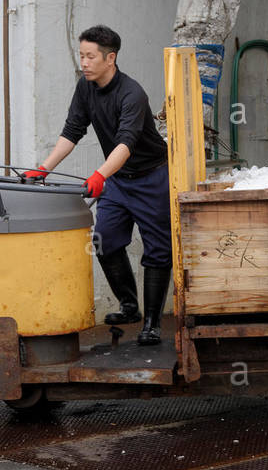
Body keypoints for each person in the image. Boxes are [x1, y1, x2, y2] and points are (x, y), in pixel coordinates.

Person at [25, 25, 172, 346]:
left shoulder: (132, 93)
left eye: (90, 57)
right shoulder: (85, 87)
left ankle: (152, 324)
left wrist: (99, 176)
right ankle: (130, 306)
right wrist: (43, 169)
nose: (85, 63)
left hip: (152, 177)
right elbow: (72, 131)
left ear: (110, 58)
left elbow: (125, 144)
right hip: (118, 180)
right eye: (82, 56)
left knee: (159, 251)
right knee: (104, 239)